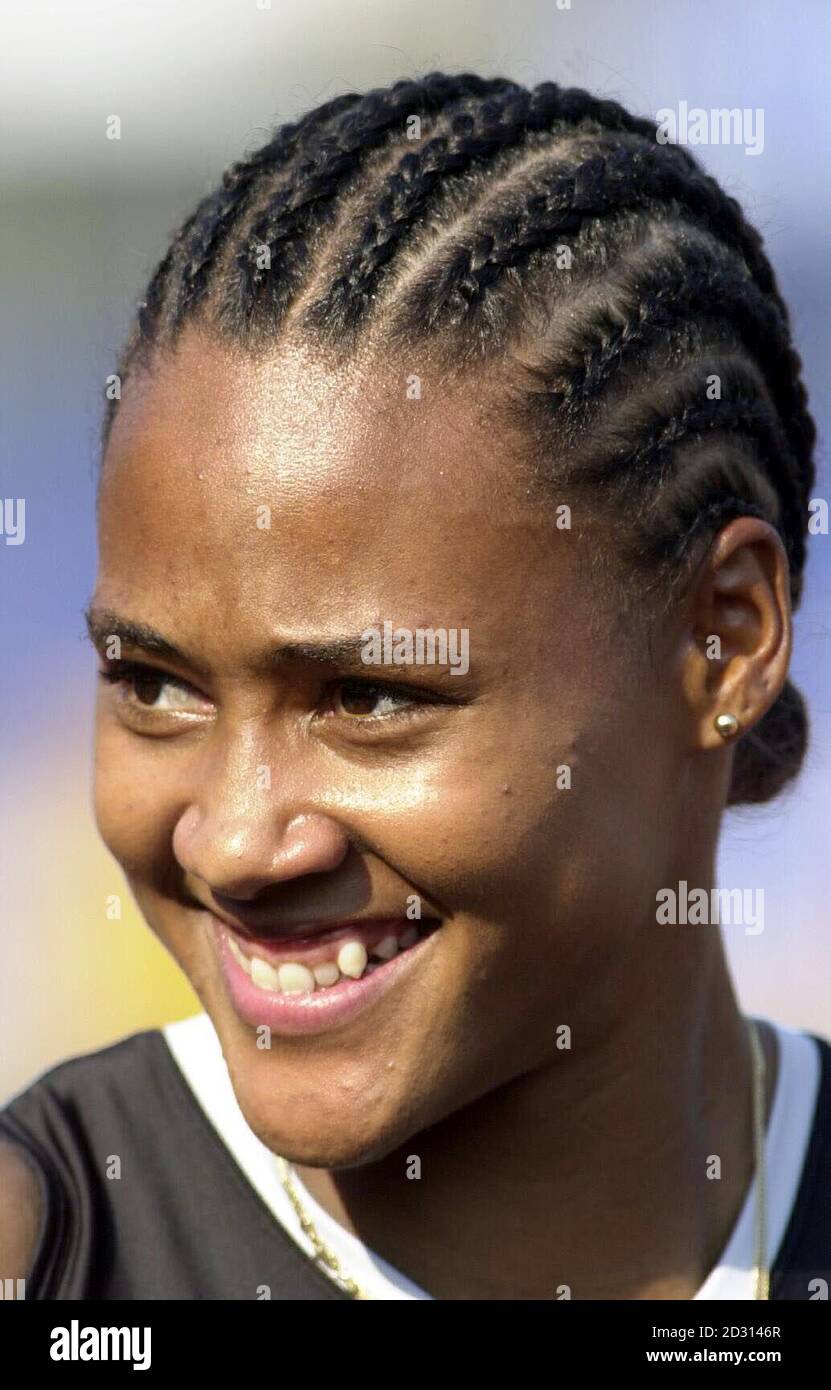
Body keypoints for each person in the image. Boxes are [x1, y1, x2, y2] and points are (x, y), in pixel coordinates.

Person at [1, 71, 828, 1301]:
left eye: (369, 698)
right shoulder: (53, 1253)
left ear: (724, 641)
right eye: (155, 684)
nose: (233, 840)